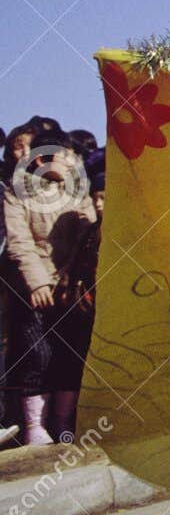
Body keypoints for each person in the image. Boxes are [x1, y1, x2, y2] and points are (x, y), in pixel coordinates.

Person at [2, 138, 99, 444]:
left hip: (71, 291)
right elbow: (20, 242)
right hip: (35, 288)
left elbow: (88, 234)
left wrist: (72, 280)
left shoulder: (80, 193)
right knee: (37, 354)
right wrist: (39, 281)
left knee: (70, 354)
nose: (69, 162)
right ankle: (34, 426)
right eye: (62, 157)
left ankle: (62, 421)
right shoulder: (18, 194)